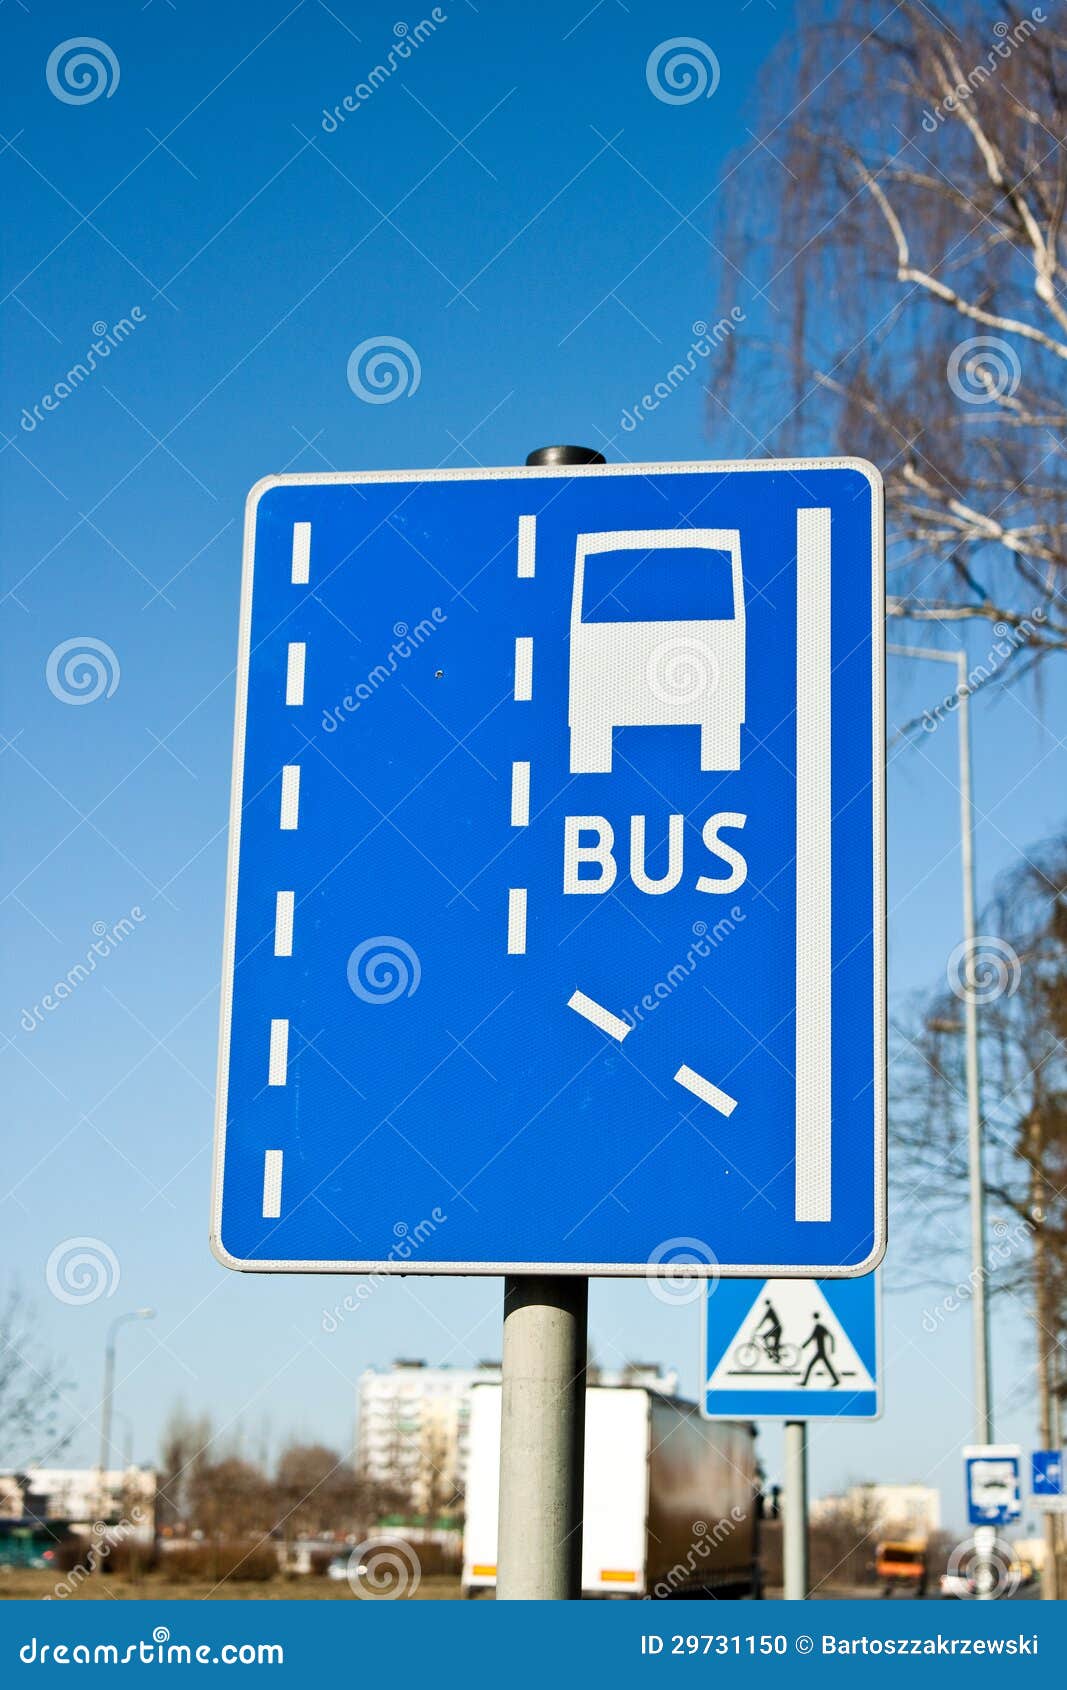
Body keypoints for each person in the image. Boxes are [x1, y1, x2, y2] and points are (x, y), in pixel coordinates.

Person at [800, 1311, 840, 1387]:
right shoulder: (818, 1327)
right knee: (826, 1366)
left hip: (821, 1352)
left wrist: (832, 1348)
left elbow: (830, 1336)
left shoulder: (819, 1327)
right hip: (820, 1352)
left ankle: (805, 1382)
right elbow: (812, 1338)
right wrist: (804, 1345)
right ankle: (836, 1380)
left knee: (810, 1365)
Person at [754, 1298, 784, 1366]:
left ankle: (773, 1354)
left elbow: (763, 1319)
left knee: (768, 1339)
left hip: (777, 1328)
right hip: (777, 1328)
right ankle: (771, 1352)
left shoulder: (770, 1310)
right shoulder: (771, 1310)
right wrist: (759, 1326)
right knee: (770, 1340)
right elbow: (764, 1319)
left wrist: (758, 1327)